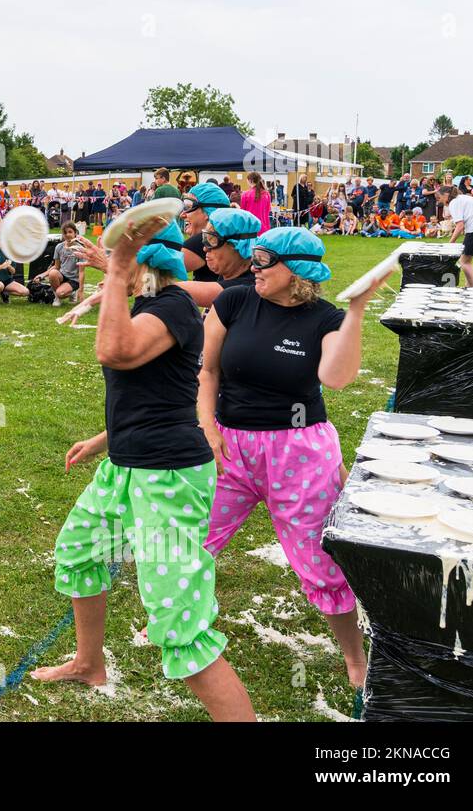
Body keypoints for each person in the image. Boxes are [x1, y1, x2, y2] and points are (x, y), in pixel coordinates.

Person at [30, 218, 255, 721]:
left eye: (124, 260)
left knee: (179, 622)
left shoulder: (174, 306)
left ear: (146, 265)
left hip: (168, 476)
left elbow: (116, 350)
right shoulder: (153, 304)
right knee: (80, 552)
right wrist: (103, 439)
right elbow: (160, 393)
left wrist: (113, 275)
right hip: (127, 463)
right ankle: (89, 664)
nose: (114, 267)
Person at [200, 227, 384, 688]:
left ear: (296, 269)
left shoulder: (325, 319)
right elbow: (207, 370)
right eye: (254, 259)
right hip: (230, 447)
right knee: (193, 540)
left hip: (298, 453)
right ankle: (181, 622)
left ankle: (355, 657)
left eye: (265, 260)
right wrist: (206, 426)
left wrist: (357, 312)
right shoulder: (235, 302)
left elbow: (336, 377)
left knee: (318, 563)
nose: (254, 267)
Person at [176, 208, 261, 308]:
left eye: (212, 241)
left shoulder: (249, 285)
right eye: (205, 239)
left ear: (236, 246)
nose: (205, 248)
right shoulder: (230, 273)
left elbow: (208, 292)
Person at [180, 182, 232, 283]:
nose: (182, 214)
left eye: (188, 206)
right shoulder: (227, 237)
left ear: (208, 212)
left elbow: (158, 267)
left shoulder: (204, 240)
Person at [33, 222, 82, 306]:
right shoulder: (59, 247)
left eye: (70, 232)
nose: (67, 235)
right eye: (65, 232)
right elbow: (56, 266)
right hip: (62, 276)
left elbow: (82, 271)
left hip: (74, 280)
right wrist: (42, 275)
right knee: (53, 273)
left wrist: (81, 290)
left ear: (75, 233)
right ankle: (57, 298)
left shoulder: (80, 249)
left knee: (61, 293)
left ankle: (73, 292)